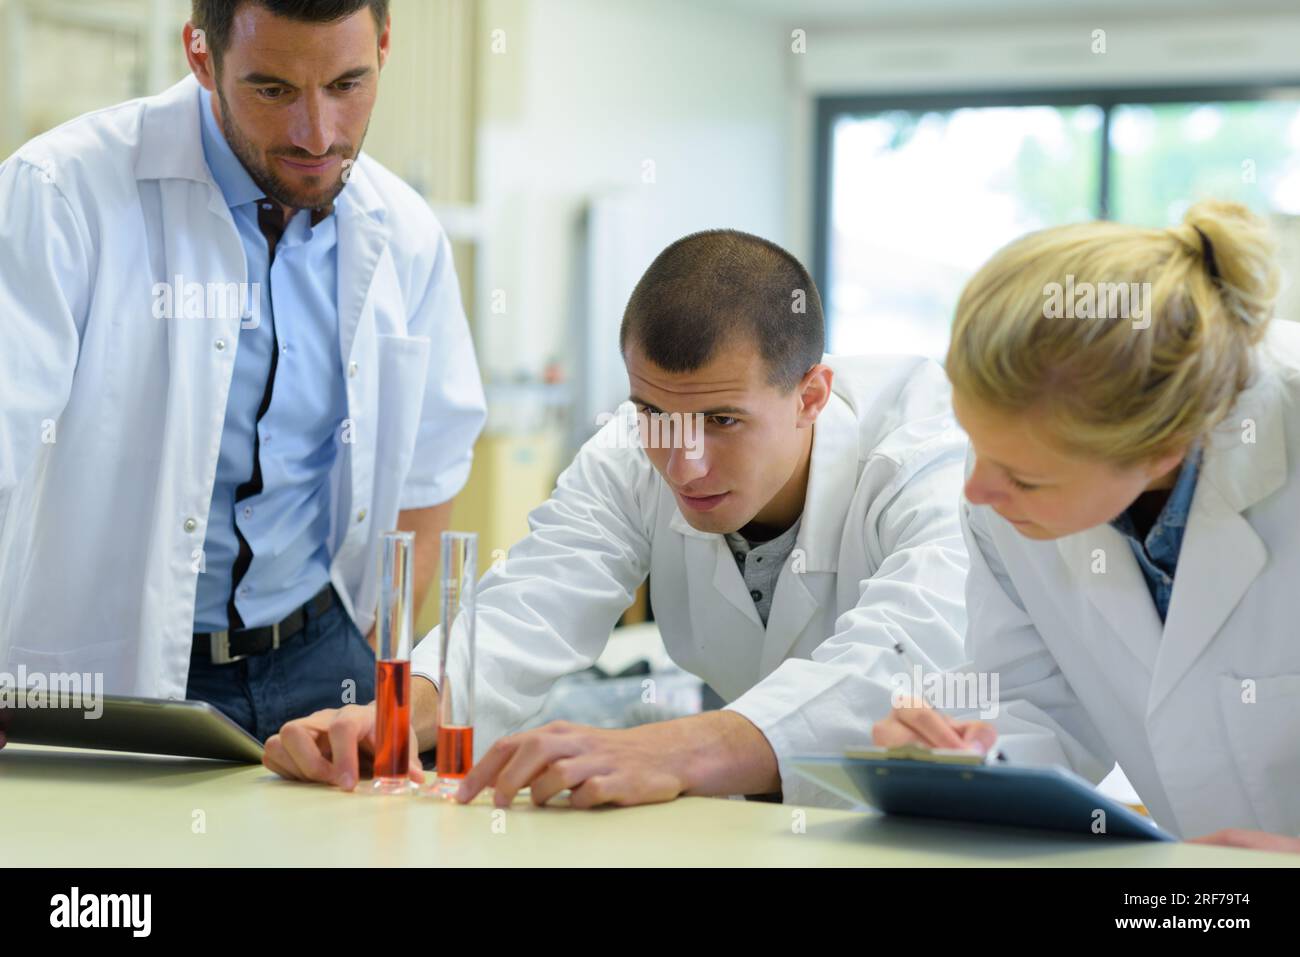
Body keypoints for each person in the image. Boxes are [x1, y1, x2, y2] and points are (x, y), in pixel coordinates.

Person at [264, 228, 970, 808]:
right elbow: (532, 605)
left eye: (723, 420)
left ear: (811, 395)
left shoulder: (923, 451)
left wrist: (678, 745)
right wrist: (392, 717)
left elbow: (907, 651)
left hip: (939, 824)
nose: (684, 463)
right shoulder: (632, 453)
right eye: (654, 413)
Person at [0, 0, 485, 742]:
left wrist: (378, 667)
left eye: (347, 84)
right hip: (113, 675)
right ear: (201, 57)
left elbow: (428, 477)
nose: (317, 134)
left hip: (325, 658)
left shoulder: (409, 236)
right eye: (274, 90)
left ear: (384, 45)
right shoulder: (61, 194)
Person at [873, 199, 1300, 853]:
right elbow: (1041, 701)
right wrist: (966, 757)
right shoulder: (1016, 456)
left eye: (1026, 477)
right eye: (974, 439)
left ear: (1165, 445)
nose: (977, 491)